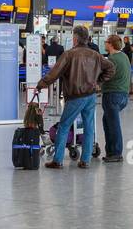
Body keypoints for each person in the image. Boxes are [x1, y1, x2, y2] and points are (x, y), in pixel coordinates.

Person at [36, 26, 114, 170]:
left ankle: (57, 160)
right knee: (89, 127)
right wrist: (99, 82)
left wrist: (41, 84)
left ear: (75, 38)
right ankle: (85, 160)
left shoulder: (69, 55)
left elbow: (54, 74)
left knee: (64, 126)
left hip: (75, 96)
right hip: (90, 95)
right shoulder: (95, 55)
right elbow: (111, 67)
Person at [100, 34, 130, 163]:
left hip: (112, 94)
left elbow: (104, 75)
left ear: (110, 44)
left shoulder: (112, 59)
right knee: (107, 121)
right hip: (123, 94)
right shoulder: (124, 56)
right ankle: (111, 151)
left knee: (113, 124)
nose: (104, 44)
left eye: (106, 42)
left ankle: (116, 152)